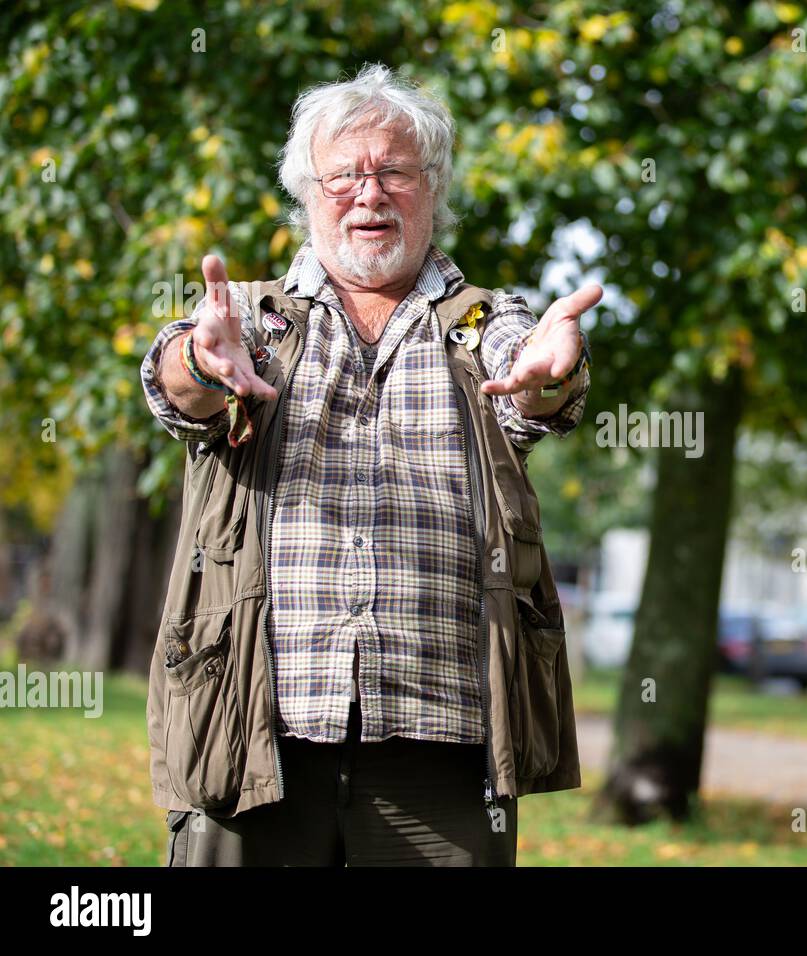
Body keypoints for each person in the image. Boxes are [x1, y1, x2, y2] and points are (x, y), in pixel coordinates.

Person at [140, 63, 597, 866]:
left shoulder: (484, 318)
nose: (369, 193)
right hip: (253, 729)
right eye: (344, 174)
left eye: (394, 172)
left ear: (433, 187)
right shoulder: (250, 318)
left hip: (444, 738)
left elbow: (530, 378)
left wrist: (551, 370)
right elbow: (177, 381)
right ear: (308, 194)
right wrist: (202, 365)